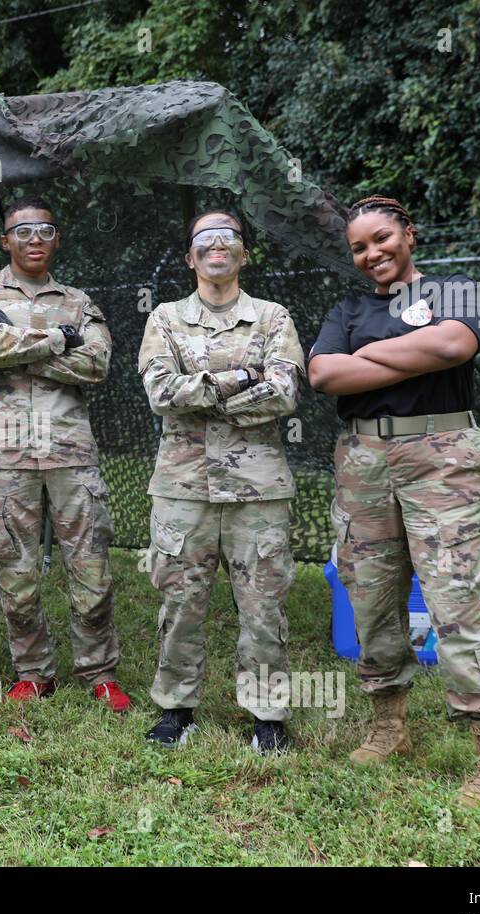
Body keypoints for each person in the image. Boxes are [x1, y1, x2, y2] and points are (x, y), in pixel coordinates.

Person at [308, 195, 480, 807]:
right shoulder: (347, 308)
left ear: (409, 234)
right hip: (363, 462)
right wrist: (410, 351)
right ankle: (389, 729)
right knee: (370, 599)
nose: (371, 253)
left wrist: (365, 358)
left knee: (455, 602)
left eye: (381, 238)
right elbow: (322, 376)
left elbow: (452, 347)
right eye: (359, 247)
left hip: (444, 458)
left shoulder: (459, 290)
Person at [0, 195, 129, 711]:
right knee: (17, 572)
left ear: (57, 238)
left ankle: (100, 672)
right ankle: (33, 671)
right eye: (22, 231)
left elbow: (96, 366)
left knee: (91, 569)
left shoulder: (80, 301)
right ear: (4, 240)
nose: (34, 239)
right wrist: (59, 339)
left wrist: (18, 346)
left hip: (70, 452)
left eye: (44, 231)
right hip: (5, 453)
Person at [138, 209, 304, 752]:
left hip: (258, 489)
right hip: (183, 488)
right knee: (180, 603)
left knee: (263, 604)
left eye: (228, 237)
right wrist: (241, 377)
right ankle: (175, 709)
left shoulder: (273, 317)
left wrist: (202, 391)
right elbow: (161, 394)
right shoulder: (163, 318)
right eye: (204, 238)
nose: (217, 245)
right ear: (190, 257)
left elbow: (283, 393)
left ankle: (268, 716)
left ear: (243, 253)